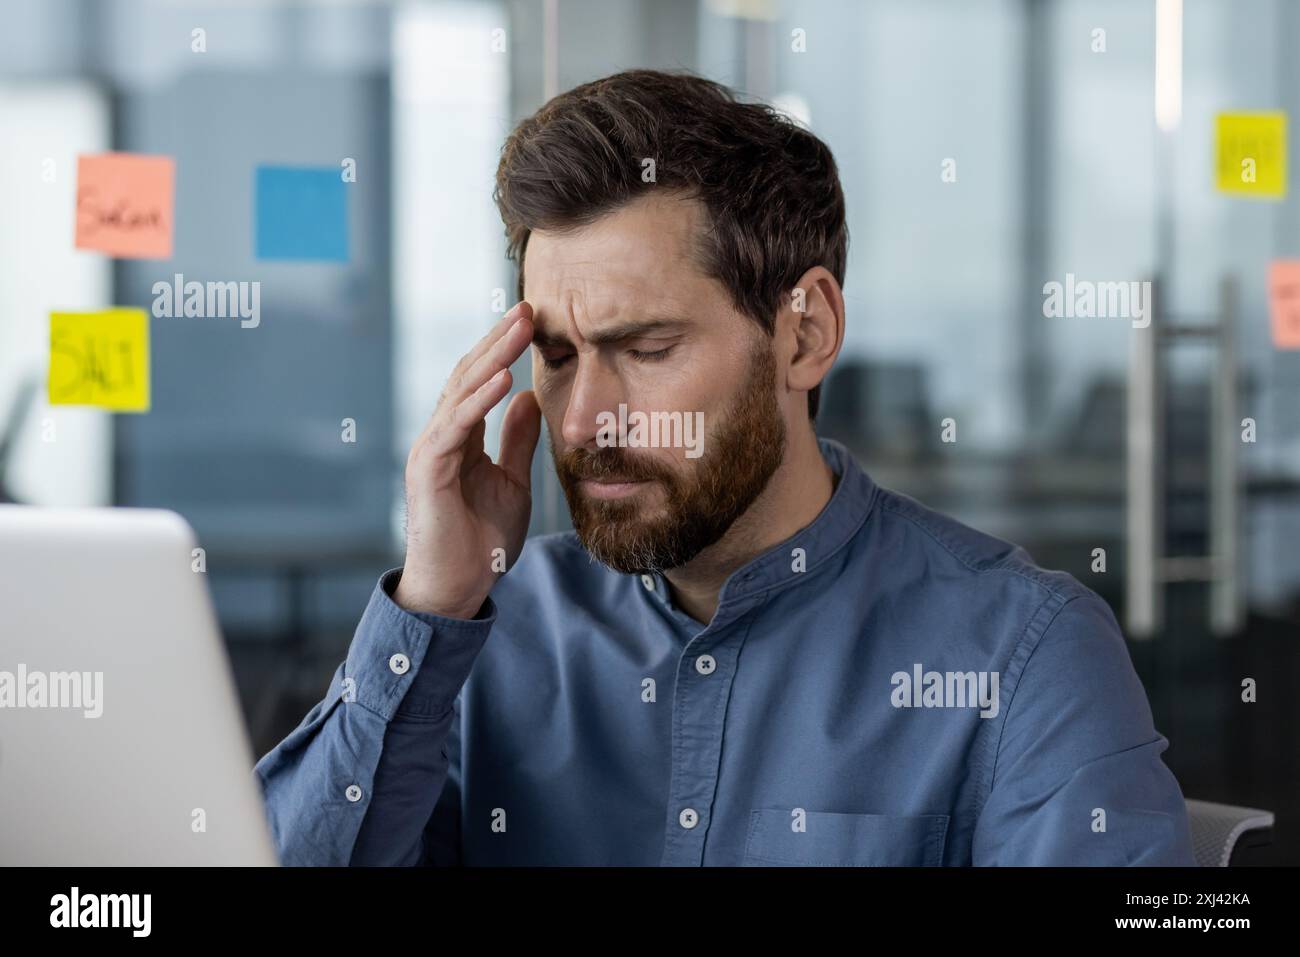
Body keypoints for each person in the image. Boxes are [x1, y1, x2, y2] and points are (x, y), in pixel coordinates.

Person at [254, 69, 1195, 866]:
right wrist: (428, 611)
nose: (582, 420)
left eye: (648, 347)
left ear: (805, 333)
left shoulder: (1021, 653)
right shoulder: (491, 632)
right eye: (559, 355)